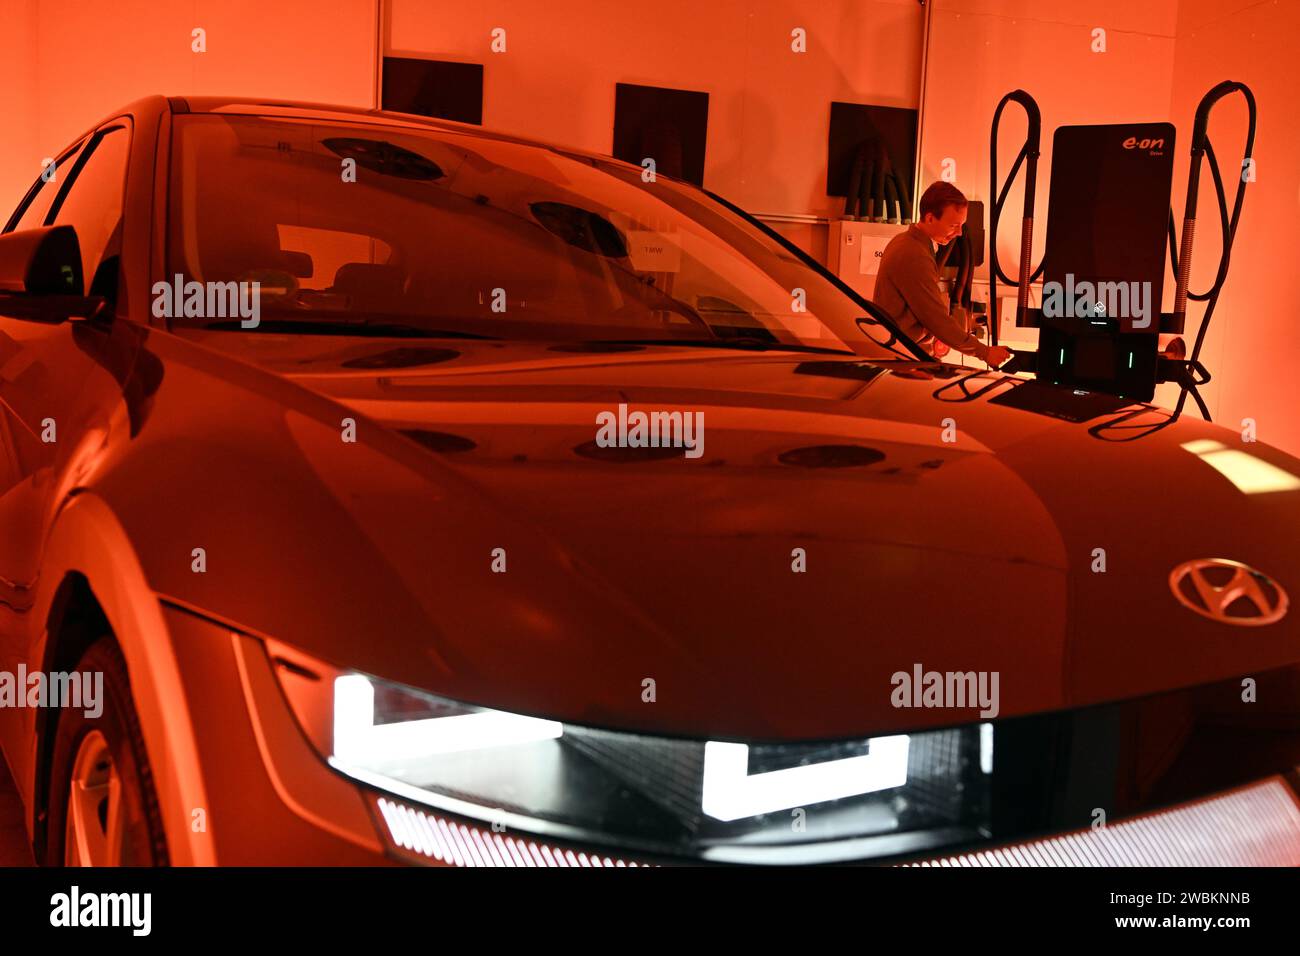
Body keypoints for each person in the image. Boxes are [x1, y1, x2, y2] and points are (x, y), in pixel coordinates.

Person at [873, 181, 1012, 367]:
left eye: (962, 225)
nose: (960, 233)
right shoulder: (914, 255)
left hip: (901, 355)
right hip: (903, 360)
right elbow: (936, 319)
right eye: (954, 225)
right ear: (930, 218)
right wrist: (984, 352)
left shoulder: (905, 241)